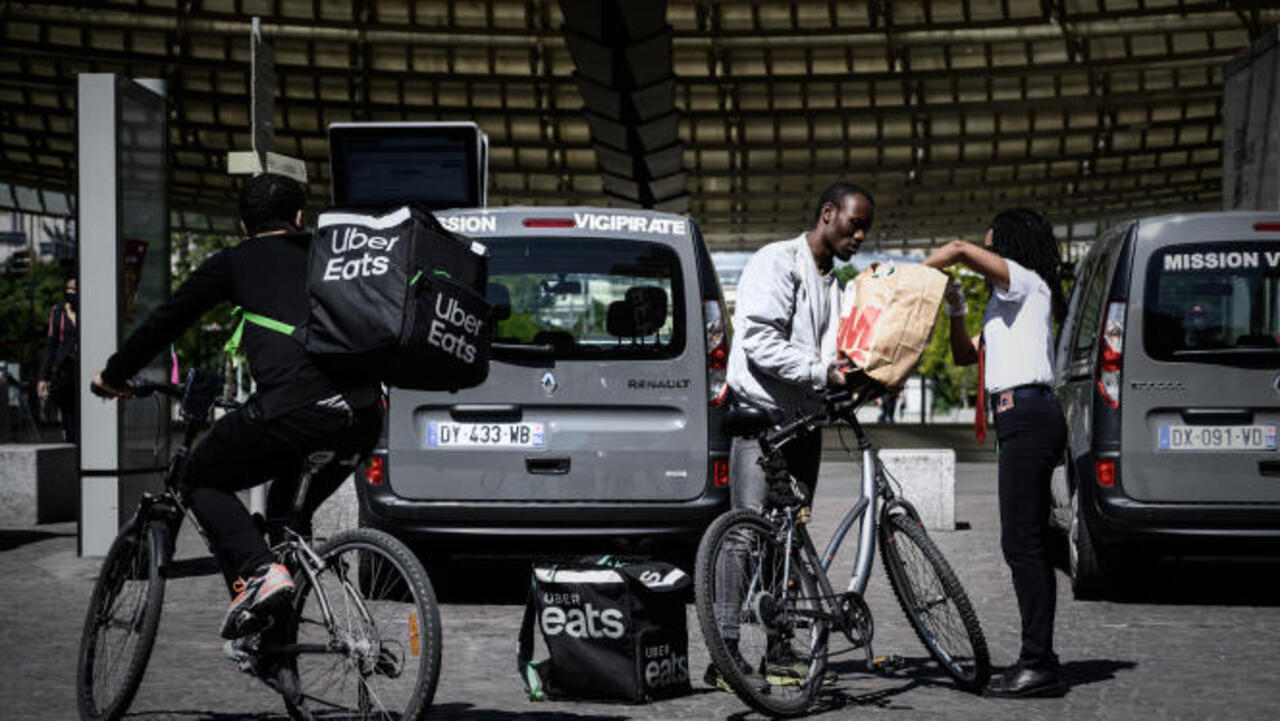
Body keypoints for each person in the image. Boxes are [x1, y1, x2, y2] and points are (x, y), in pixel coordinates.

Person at [91, 173, 383, 640]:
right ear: (300, 217)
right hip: (363, 416)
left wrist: (113, 374)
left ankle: (259, 574)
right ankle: (276, 640)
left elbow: (167, 320)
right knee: (287, 520)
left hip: (294, 409)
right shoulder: (331, 257)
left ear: (243, 225)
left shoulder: (234, 262)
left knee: (199, 477)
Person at [706, 181, 873, 690]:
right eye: (854, 223)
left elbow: (830, 357)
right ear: (827, 214)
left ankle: (780, 650)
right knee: (743, 534)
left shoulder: (835, 284)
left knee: (790, 538)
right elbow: (758, 340)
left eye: (867, 227)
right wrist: (824, 375)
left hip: (804, 424)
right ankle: (726, 655)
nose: (861, 235)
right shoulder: (776, 262)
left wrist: (854, 380)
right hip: (761, 420)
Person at [923, 207, 1068, 698]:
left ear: (1011, 243)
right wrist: (956, 306)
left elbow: (961, 249)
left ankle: (1037, 663)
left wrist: (908, 278)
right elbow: (967, 354)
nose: (987, 245)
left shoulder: (1028, 282)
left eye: (994, 240)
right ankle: (1039, 657)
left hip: (1028, 415)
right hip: (1021, 419)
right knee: (1028, 542)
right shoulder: (1009, 305)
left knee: (1022, 544)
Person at [38, 276, 78, 442]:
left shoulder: (90, 310)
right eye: (68, 289)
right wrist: (42, 377)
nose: (71, 293)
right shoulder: (58, 312)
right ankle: (71, 444)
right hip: (64, 371)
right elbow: (51, 346)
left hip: (84, 369)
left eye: (75, 290)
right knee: (68, 416)